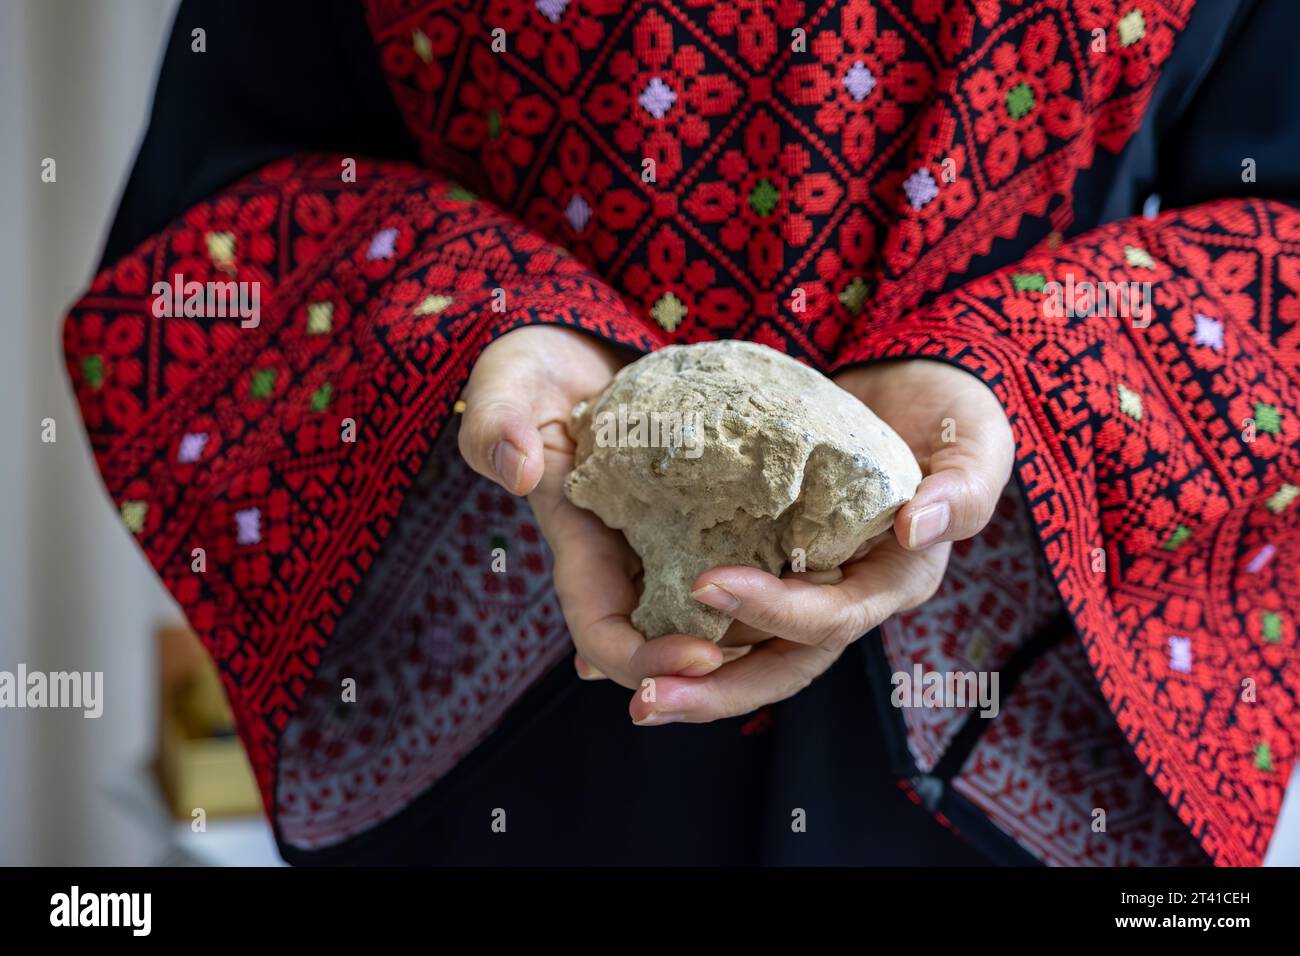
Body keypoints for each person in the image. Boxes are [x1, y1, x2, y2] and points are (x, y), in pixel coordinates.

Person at [63, 0, 1298, 865]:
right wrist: (494, 328)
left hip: (999, 699)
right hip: (527, 726)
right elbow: (208, 231)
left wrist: (1017, 377)